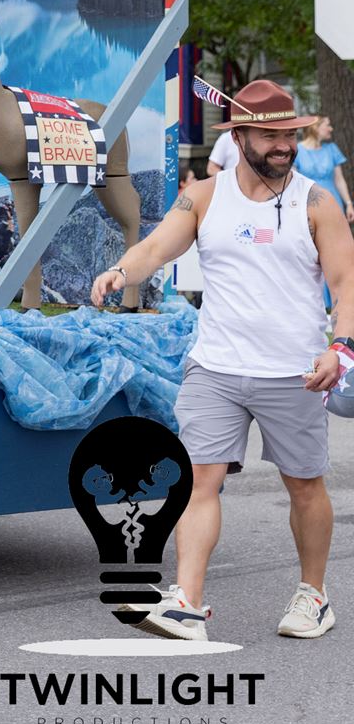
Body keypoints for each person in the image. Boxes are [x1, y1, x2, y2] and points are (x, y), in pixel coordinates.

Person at [88, 79, 354, 642]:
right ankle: (187, 603)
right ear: (239, 136)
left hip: (296, 374)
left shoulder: (317, 202)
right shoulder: (205, 196)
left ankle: (314, 596)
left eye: (290, 135)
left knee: (305, 485)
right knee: (198, 480)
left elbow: (346, 282)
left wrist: (341, 347)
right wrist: (123, 271)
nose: (284, 145)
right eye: (270, 135)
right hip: (216, 368)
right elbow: (159, 246)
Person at [297, 115, 352, 224]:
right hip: (306, 203)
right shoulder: (297, 150)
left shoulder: (331, 148)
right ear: (315, 128)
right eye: (327, 125)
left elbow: (339, 180)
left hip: (333, 202)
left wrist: (349, 204)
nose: (331, 129)